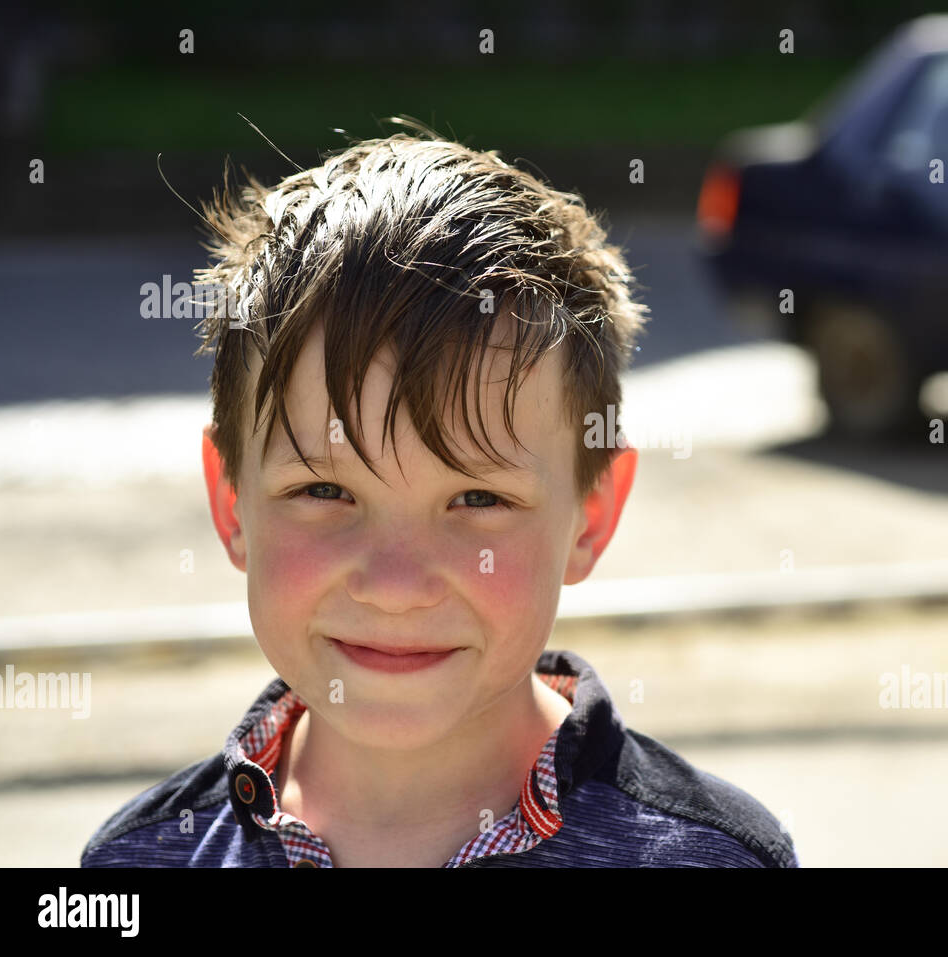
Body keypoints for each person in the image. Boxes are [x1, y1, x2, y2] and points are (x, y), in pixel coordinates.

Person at [81, 121, 798, 867]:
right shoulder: (134, 864)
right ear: (233, 502)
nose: (396, 586)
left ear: (592, 512)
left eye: (478, 499)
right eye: (325, 488)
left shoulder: (717, 859)